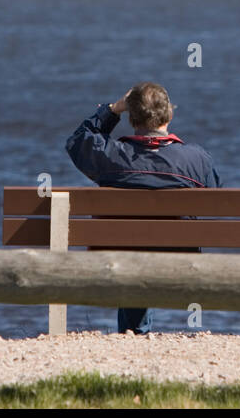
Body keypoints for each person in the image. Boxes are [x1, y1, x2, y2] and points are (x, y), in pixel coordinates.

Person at [65, 82, 221, 334]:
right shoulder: (196, 159)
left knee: (133, 247)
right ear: (169, 114)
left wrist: (113, 110)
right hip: (180, 259)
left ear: (131, 117)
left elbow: (77, 142)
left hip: (117, 261)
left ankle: (134, 334)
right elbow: (215, 195)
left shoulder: (111, 155)